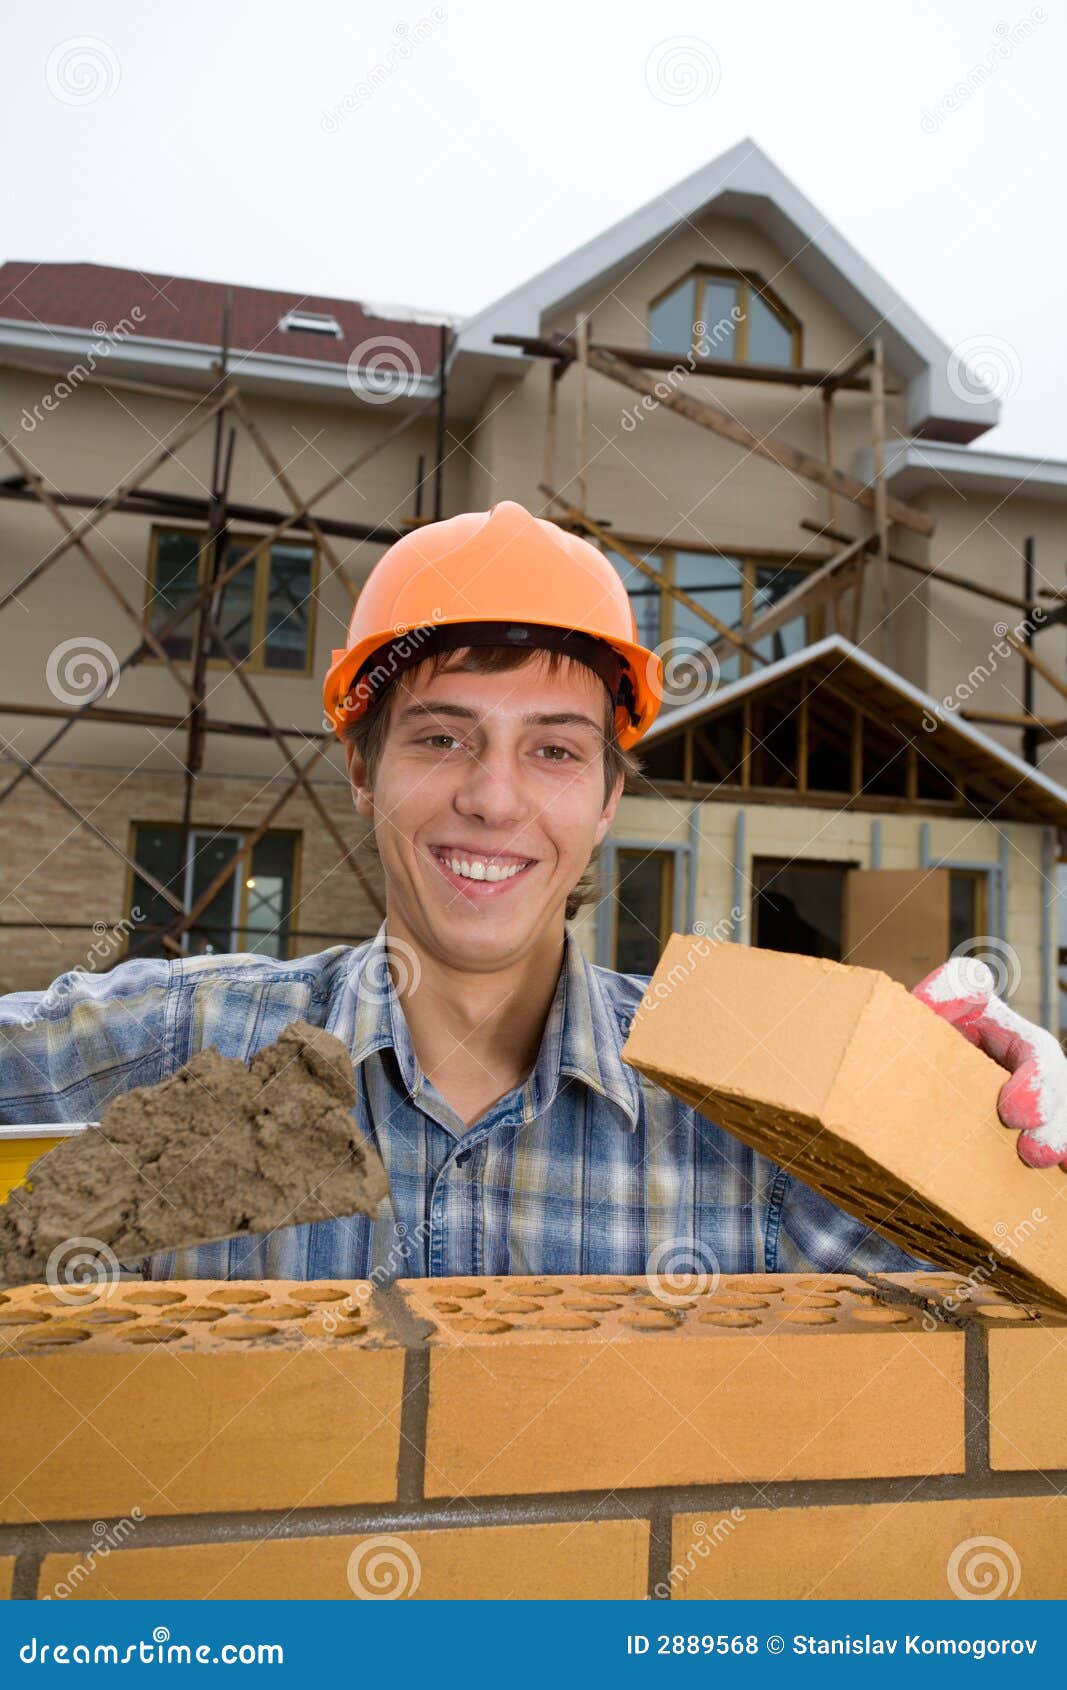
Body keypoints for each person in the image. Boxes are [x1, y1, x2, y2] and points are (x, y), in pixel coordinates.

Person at [1, 501, 1064, 1285]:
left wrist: (979, 1138)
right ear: (362, 770)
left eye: (553, 751)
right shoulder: (180, 1049)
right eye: (440, 738)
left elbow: (1014, 1311)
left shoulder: (743, 1112)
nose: (492, 798)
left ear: (606, 799)